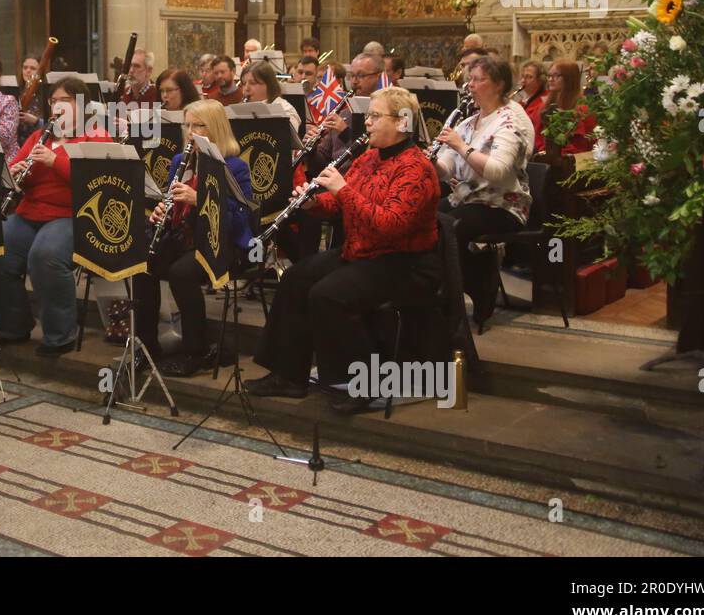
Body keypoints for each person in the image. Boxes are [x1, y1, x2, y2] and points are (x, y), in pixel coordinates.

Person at [248, 86, 441, 398]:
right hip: (364, 251)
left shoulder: (417, 169)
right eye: (369, 116)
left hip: (403, 262)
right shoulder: (369, 158)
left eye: (376, 117)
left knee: (328, 295)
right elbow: (339, 205)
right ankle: (288, 374)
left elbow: (390, 225)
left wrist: (343, 191)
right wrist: (314, 204)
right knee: (296, 278)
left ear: (402, 122)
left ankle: (357, 385)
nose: (366, 122)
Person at [0, 77, 113, 356]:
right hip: (31, 211)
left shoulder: (96, 135)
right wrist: (18, 172)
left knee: (45, 256)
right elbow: (16, 175)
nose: (57, 106)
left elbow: (96, 183)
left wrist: (55, 161)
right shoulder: (39, 135)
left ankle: (61, 335)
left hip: (73, 215)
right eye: (54, 101)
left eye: (65, 100)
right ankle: (13, 326)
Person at [134, 99, 255, 376]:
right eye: (187, 125)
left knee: (181, 272)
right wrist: (161, 211)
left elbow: (241, 218)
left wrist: (200, 200)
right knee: (141, 265)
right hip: (184, 238)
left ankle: (194, 350)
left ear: (215, 129)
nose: (191, 131)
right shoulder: (181, 160)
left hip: (221, 243)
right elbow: (171, 201)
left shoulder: (234, 166)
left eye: (198, 125)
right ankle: (147, 346)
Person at [434, 56, 534, 331]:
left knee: (450, 228)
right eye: (470, 79)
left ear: (500, 84)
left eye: (479, 80)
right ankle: (450, 288)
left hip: (502, 204)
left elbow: (498, 172)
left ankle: (474, 285)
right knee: (423, 219)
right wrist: (429, 163)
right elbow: (447, 169)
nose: (471, 86)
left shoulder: (510, 121)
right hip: (468, 196)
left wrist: (460, 146)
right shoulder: (468, 122)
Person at [538, 59, 595, 155]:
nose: (551, 79)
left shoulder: (582, 109)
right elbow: (538, 138)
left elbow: (582, 146)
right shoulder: (545, 106)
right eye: (549, 76)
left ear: (569, 78)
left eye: (556, 76)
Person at [243, 60, 302, 133]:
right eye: (244, 83)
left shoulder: (286, 111)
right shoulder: (241, 110)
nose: (246, 88)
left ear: (269, 85)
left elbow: (287, 141)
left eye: (253, 83)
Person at [518, 61, 548, 150]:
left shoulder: (546, 101)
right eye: (522, 77)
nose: (523, 81)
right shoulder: (521, 102)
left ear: (540, 80)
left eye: (529, 77)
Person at [16, 54, 43, 144]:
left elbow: (56, 126)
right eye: (25, 67)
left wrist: (36, 121)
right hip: (18, 144)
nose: (28, 71)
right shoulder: (16, 92)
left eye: (33, 68)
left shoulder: (46, 94)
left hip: (38, 143)